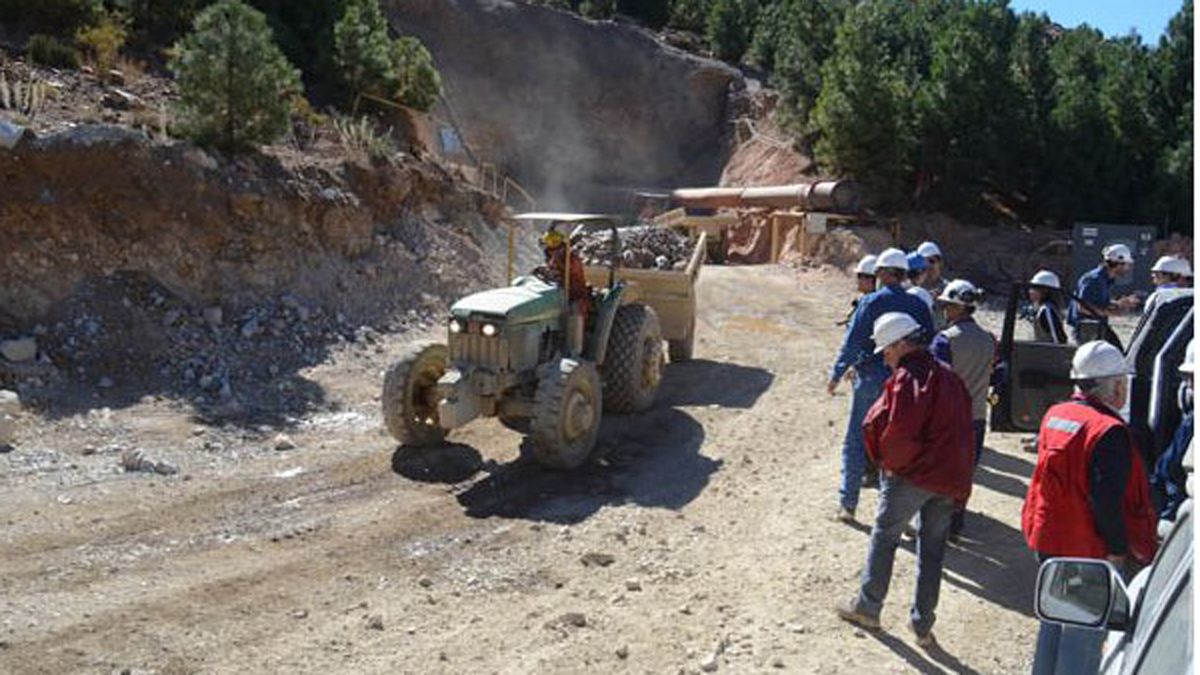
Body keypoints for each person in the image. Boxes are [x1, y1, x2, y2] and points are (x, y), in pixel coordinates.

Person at [835, 312, 975, 648]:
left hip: (912, 476)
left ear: (901, 344)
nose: (884, 356)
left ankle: (868, 607)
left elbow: (899, 433)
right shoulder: (949, 376)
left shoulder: (907, 378)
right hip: (948, 478)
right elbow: (965, 432)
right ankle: (922, 626)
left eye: (886, 349)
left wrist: (891, 467)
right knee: (932, 550)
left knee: (884, 538)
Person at [1023, 340, 1158, 675]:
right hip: (1086, 550)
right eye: (1123, 383)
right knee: (1082, 640)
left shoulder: (1056, 414)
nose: (1125, 390)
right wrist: (1116, 549)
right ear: (1112, 386)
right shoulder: (1108, 431)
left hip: (1050, 540)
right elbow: (1105, 500)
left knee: (1052, 621)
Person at [827, 248, 936, 523]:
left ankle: (847, 504)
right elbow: (928, 343)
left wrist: (837, 373)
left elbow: (853, 342)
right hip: (906, 379)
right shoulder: (919, 305)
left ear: (885, 274)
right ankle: (898, 513)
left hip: (870, 378)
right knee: (901, 441)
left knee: (856, 439)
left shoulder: (871, 303)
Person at [930, 279, 996, 540]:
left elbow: (934, 382)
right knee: (964, 471)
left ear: (958, 308)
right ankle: (956, 522)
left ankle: (937, 525)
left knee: (940, 470)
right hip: (977, 417)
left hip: (948, 417)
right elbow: (998, 374)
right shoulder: (989, 340)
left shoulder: (944, 341)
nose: (945, 311)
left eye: (948, 306)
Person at [1151, 339, 1193, 527]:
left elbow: (1168, 469)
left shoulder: (1191, 424)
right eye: (1186, 378)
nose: (1189, 386)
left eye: (1192, 378)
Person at [1067, 244, 1139, 345]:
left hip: (1096, 328)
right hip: (1085, 331)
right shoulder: (1094, 280)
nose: (1128, 268)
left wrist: (1118, 304)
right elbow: (1083, 307)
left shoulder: (1105, 280)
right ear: (1118, 264)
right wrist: (1111, 313)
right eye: (1127, 264)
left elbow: (1097, 302)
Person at [1027, 270, 1067, 344]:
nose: (1030, 291)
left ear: (1045, 291)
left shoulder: (1047, 311)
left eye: (1034, 287)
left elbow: (1059, 340)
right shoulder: (1040, 309)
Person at [839, 254, 878, 327]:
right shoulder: (863, 300)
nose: (858, 280)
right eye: (858, 276)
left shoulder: (873, 305)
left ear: (873, 279)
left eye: (860, 276)